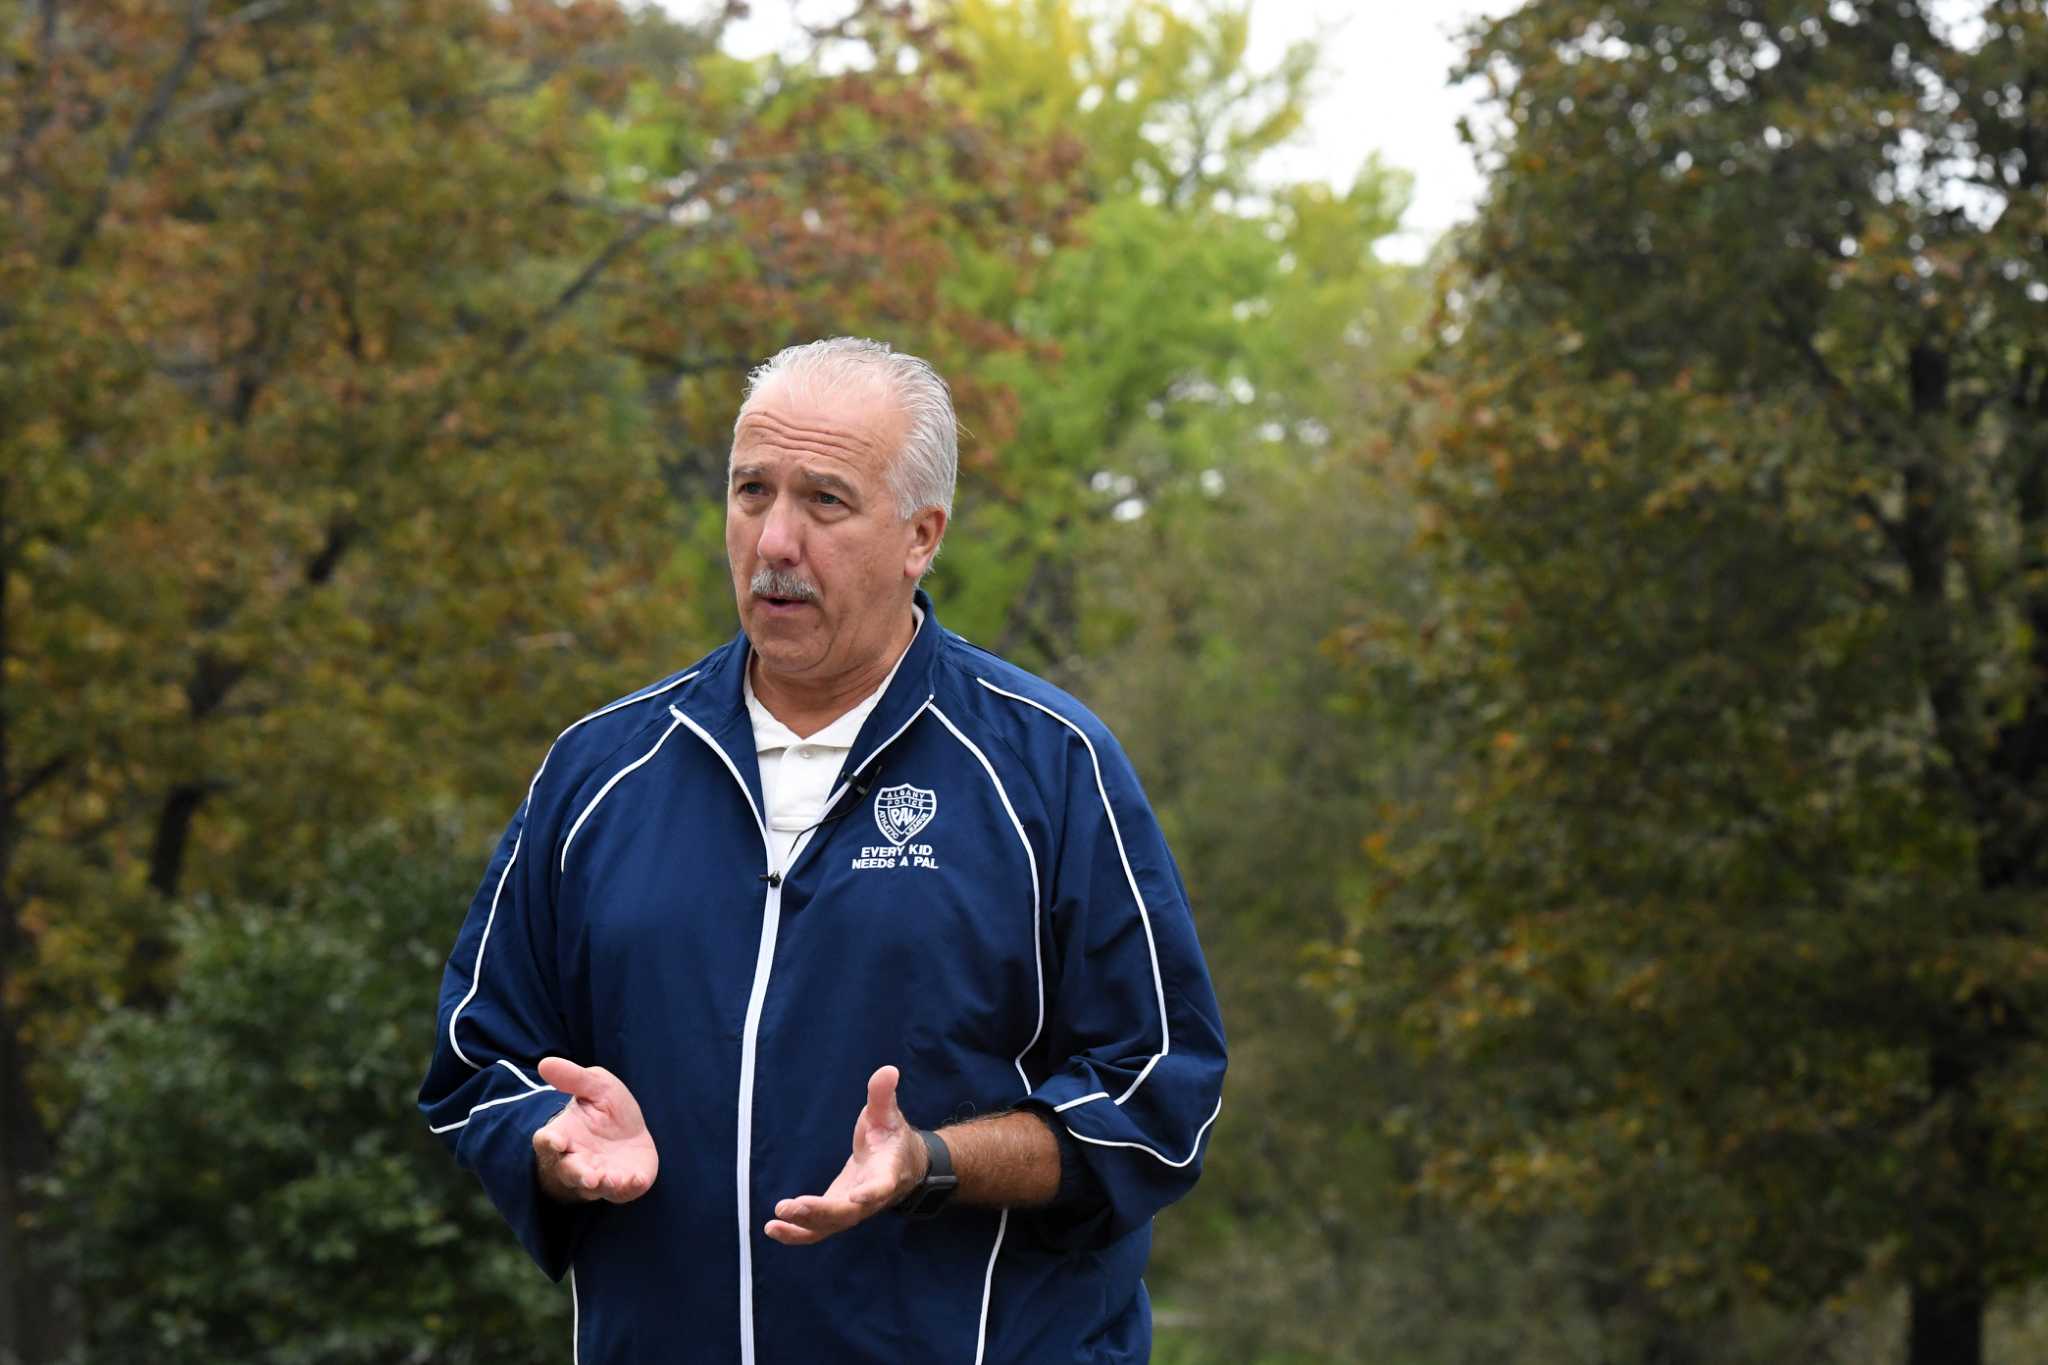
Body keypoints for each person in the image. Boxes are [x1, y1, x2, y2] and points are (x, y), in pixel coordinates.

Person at [418, 337, 1227, 1363]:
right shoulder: (598, 772)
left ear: (919, 537)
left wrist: (931, 1160)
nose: (774, 541)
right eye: (751, 491)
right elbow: (474, 1058)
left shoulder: (1049, 768)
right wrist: (547, 1138)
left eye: (825, 502)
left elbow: (1157, 1095)